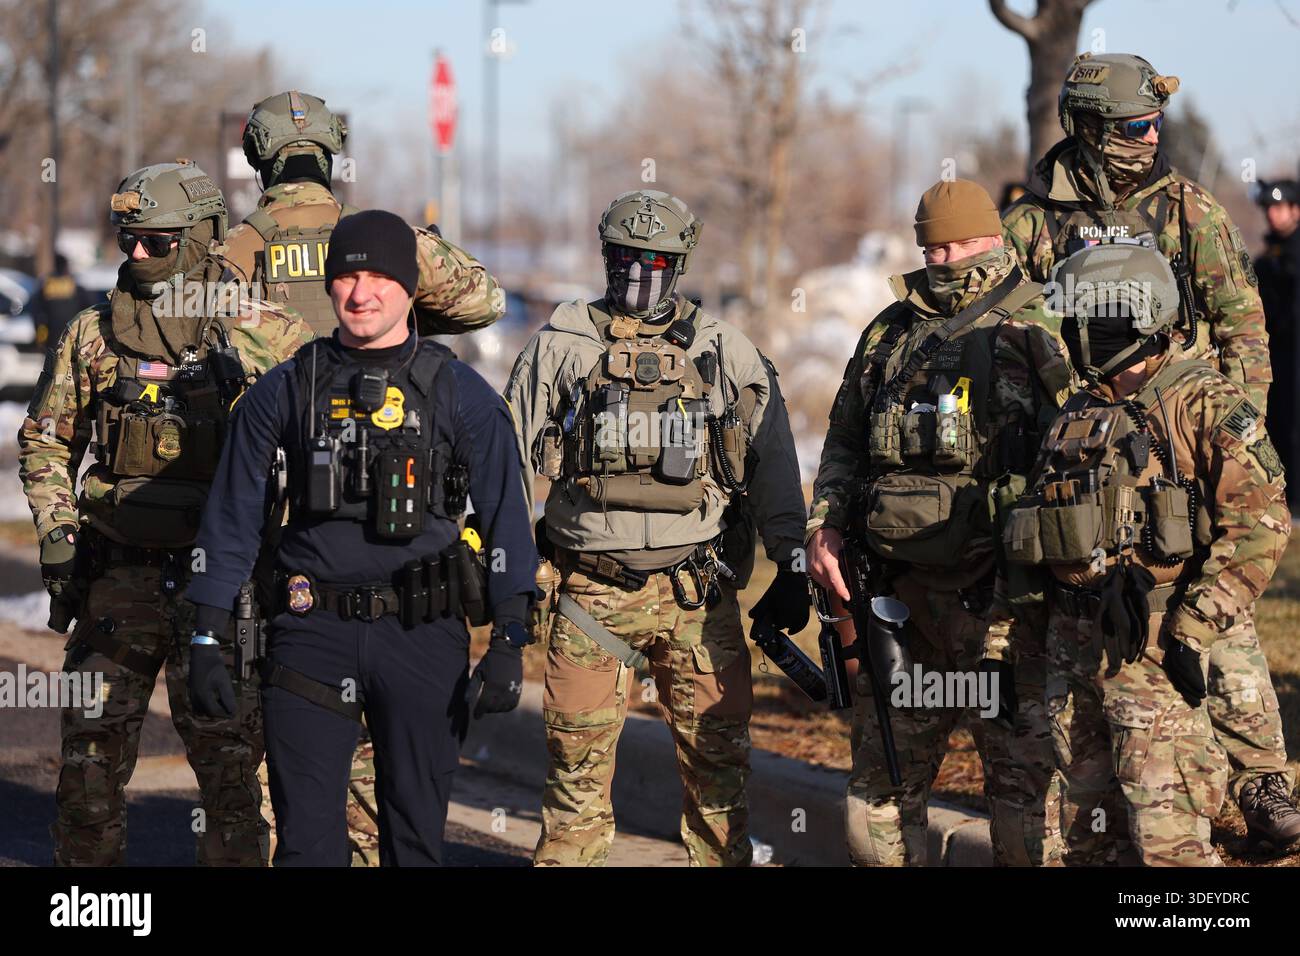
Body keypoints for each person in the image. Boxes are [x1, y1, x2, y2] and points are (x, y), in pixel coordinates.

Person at [1003, 51, 1300, 849]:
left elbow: (1242, 327)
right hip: (1081, 451)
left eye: (1155, 122)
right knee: (1088, 651)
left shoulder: (1189, 210)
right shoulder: (1034, 221)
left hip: (1184, 432)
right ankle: (1111, 799)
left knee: (1210, 608)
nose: (1150, 135)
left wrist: (1230, 435)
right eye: (1135, 125)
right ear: (1092, 129)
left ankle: (1261, 779)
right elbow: (1008, 339)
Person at [187, 210, 536, 866]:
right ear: (330, 285)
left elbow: (505, 521)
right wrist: (205, 633)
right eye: (348, 275)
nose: (361, 291)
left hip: (424, 638)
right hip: (307, 633)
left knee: (414, 841)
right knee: (307, 846)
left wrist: (511, 636)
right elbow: (231, 515)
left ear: (408, 287)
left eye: (380, 275)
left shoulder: (461, 394)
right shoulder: (284, 389)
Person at [18, 161, 313, 866]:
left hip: (217, 592)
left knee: (232, 785)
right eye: (129, 241)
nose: (138, 255)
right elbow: (46, 439)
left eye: (156, 240)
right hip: (116, 581)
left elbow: (324, 436)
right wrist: (59, 531)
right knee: (87, 777)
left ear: (203, 237)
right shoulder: (93, 333)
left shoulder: (264, 331)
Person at [506, 189, 808, 866]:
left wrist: (790, 563)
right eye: (624, 258)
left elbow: (773, 463)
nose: (638, 273)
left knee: (719, 777)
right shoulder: (563, 344)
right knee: (574, 782)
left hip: (694, 595)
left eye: (656, 260)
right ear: (605, 255)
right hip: (590, 594)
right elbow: (503, 458)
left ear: (680, 262)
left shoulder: (724, 349)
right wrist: (489, 554)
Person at [807, 180, 1070, 866]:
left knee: (1025, 807)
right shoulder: (890, 332)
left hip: (1007, 616)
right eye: (934, 246)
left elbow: (1083, 453)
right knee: (878, 805)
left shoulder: (1036, 324)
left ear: (996, 239)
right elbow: (845, 440)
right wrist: (825, 525)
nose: (948, 259)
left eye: (964, 244)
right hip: (904, 608)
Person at [216, 90, 502, 338]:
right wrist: (398, 317)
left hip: (270, 400)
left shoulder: (225, 253)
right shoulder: (387, 238)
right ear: (328, 156)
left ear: (257, 160)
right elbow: (487, 302)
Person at [1255, 180, 1300, 510]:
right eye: (1268, 208)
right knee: (1277, 424)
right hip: (1277, 358)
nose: (1272, 214)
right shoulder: (1267, 257)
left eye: (1279, 207)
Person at [30, 254, 88, 351]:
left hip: (52, 336)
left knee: (52, 363)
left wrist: (41, 337)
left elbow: (37, 313)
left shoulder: (47, 285)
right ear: (66, 266)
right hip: (73, 334)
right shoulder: (73, 285)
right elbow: (87, 308)